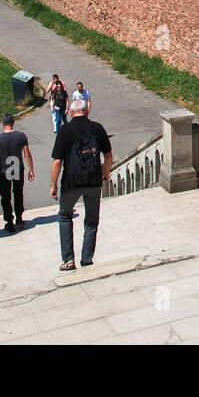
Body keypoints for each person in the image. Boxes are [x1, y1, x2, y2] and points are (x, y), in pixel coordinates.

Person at [50, 99, 112, 270]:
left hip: (71, 181)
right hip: (93, 180)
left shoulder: (65, 131)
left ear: (70, 113)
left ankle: (68, 260)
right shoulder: (97, 128)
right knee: (91, 222)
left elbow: (57, 162)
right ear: (87, 112)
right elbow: (108, 156)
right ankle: (86, 260)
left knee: (64, 216)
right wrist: (105, 173)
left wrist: (53, 184)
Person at [0, 114, 34, 234]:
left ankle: (9, 221)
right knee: (18, 193)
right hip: (18, 167)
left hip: (4, 170)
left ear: (2, 123)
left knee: (5, 197)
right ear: (13, 122)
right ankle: (19, 217)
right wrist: (31, 169)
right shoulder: (21, 136)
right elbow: (27, 153)